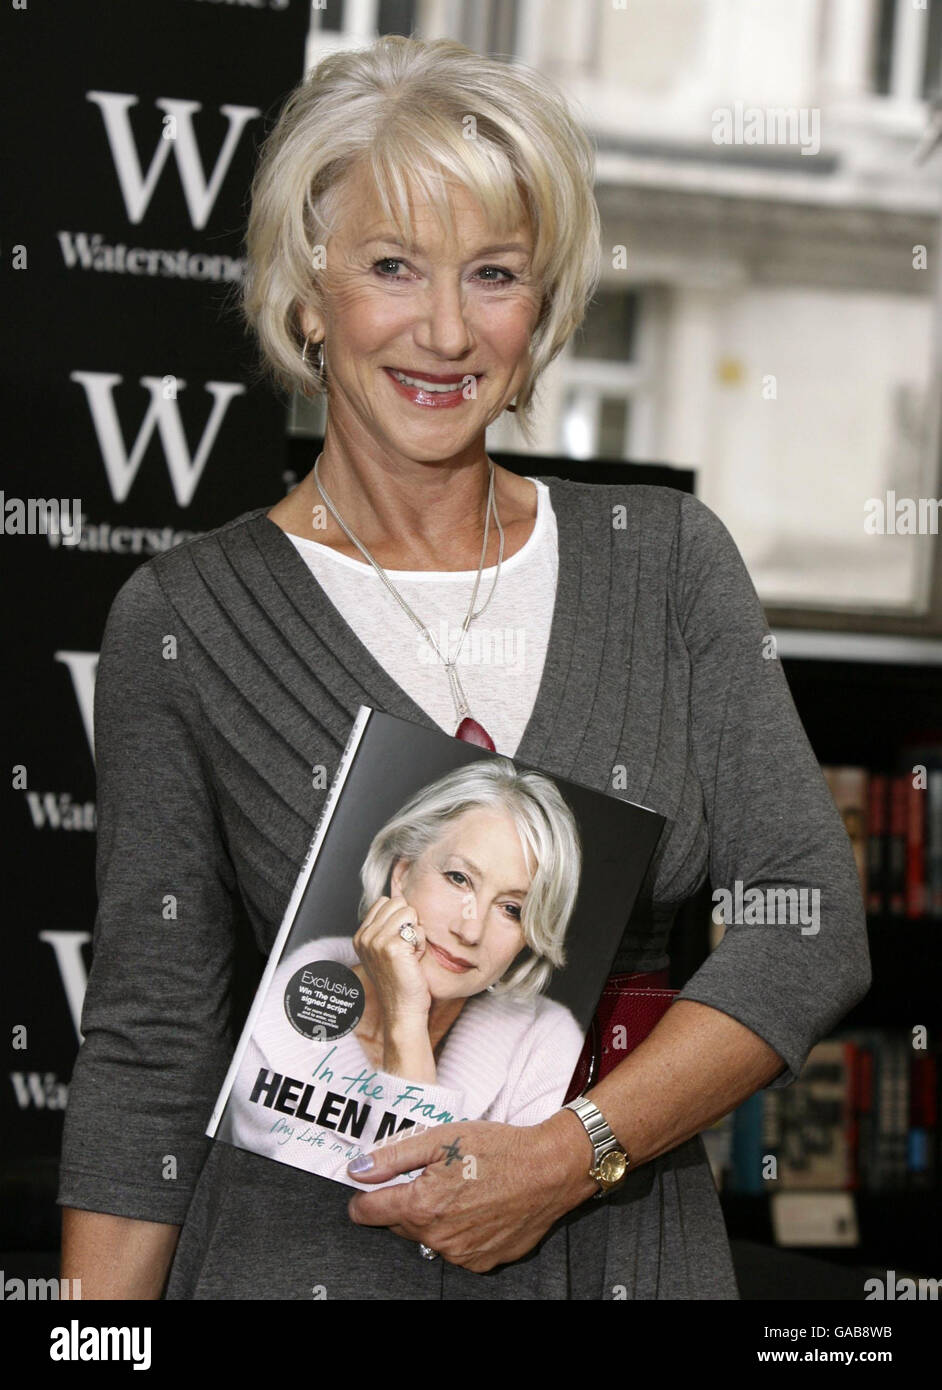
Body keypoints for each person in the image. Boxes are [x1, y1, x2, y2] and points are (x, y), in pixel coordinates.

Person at [58, 34, 871, 1299]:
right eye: (392, 267)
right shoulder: (186, 617)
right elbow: (150, 1045)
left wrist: (571, 1150)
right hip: (295, 1264)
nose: (446, 330)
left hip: (624, 1254)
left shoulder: (663, 564)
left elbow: (807, 922)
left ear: (540, 308)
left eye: (493, 275)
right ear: (308, 292)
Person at [216, 759, 586, 1182]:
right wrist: (406, 1016)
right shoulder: (273, 1032)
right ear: (402, 873)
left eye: (511, 909)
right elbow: (398, 1202)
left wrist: (405, 1021)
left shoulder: (548, 1043)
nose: (469, 929)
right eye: (459, 878)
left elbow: (474, 1215)